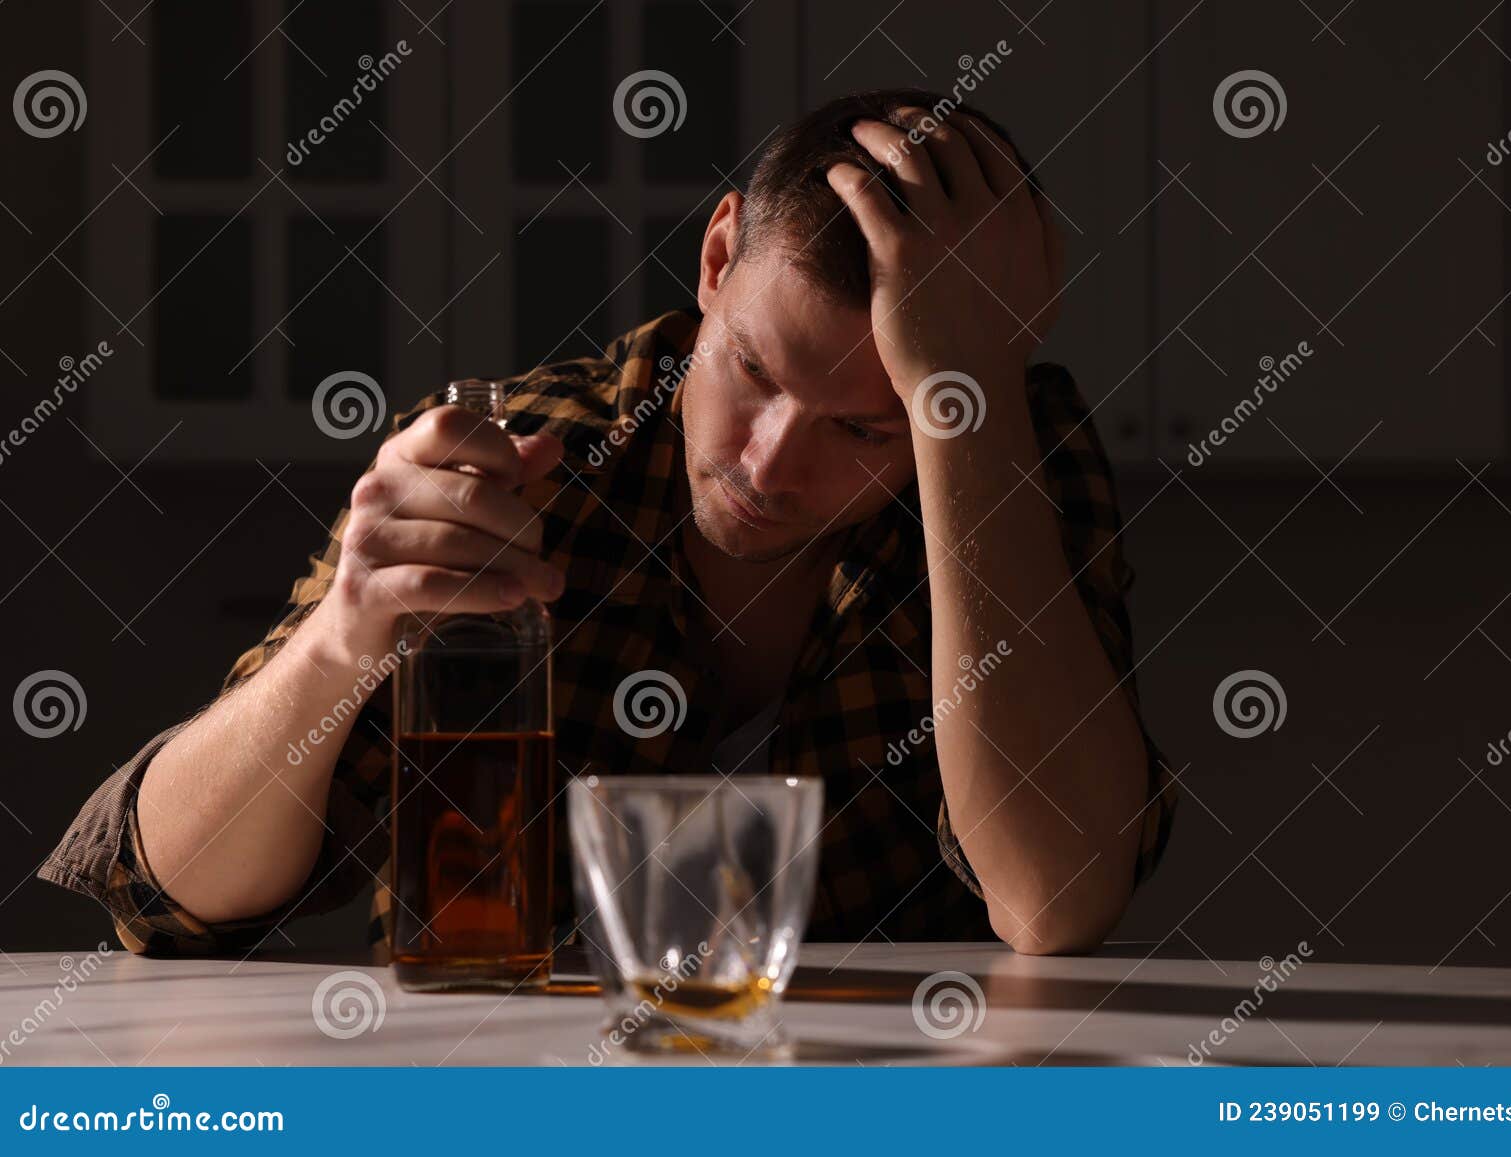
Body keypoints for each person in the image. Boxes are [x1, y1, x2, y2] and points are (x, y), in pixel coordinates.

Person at [42, 88, 1176, 959]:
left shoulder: (1002, 450)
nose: (768, 463)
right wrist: (340, 640)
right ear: (718, 255)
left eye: (867, 431)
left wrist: (959, 405)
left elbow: (1055, 897)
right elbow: (165, 898)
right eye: (751, 370)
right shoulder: (516, 460)